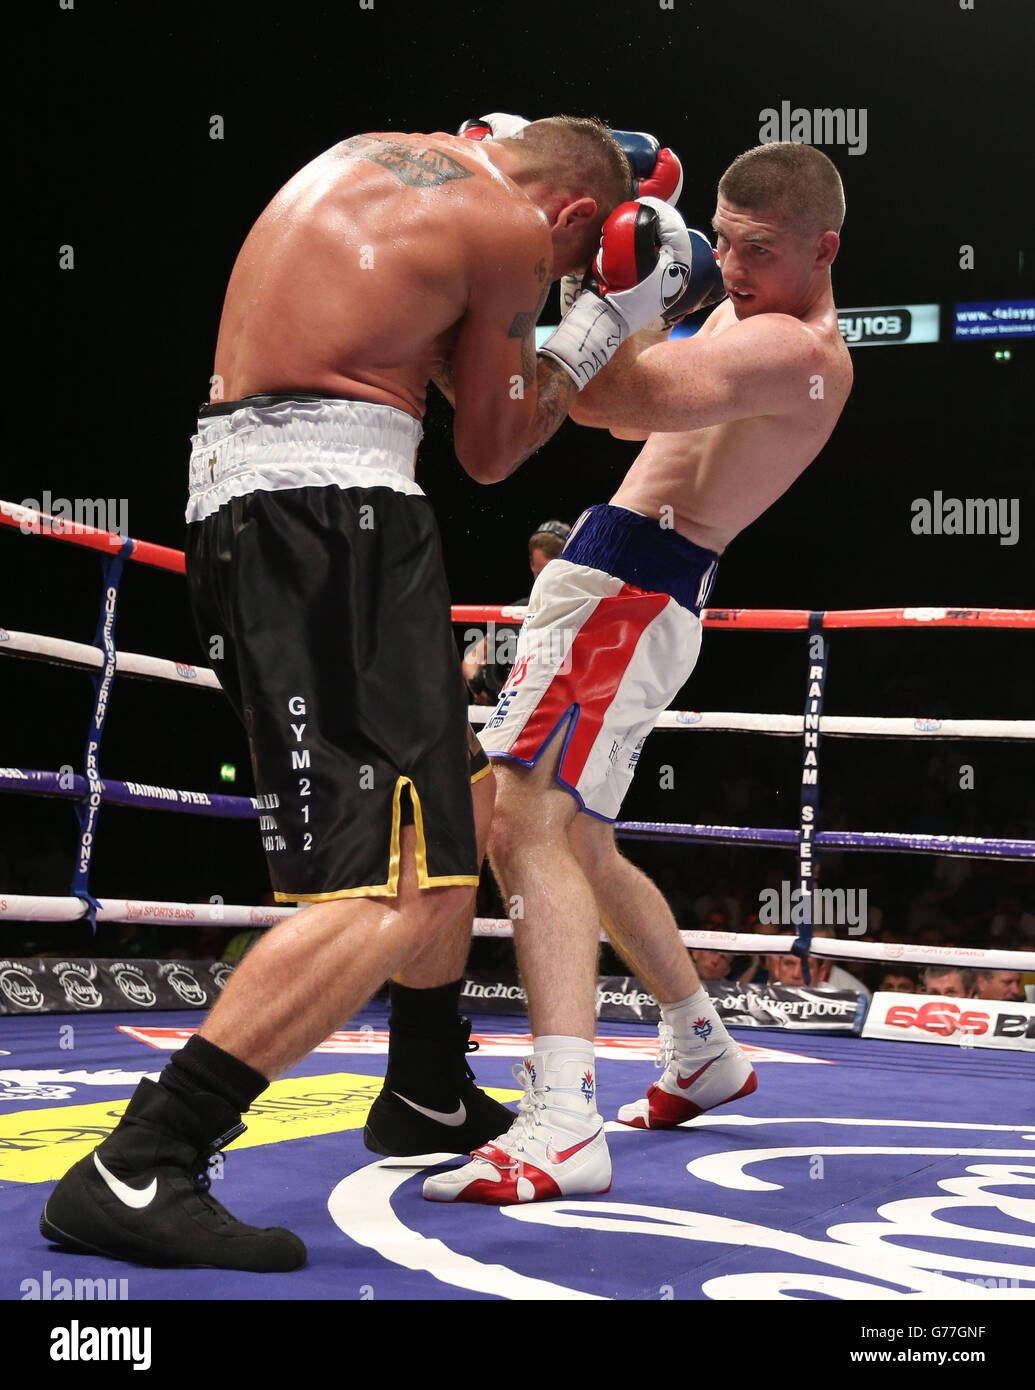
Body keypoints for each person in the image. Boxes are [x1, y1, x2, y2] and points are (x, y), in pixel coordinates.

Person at [40, 116, 698, 1269]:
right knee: (389, 889)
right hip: (327, 527)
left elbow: (429, 342)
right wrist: (602, 321)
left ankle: (430, 1088)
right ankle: (142, 1159)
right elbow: (494, 447)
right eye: (562, 266)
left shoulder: (392, 158)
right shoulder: (505, 223)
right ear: (577, 220)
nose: (544, 283)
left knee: (452, 833)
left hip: (288, 516)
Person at [426, 140, 854, 1205]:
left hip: (632, 585)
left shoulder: (794, 351)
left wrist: (589, 264)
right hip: (624, 576)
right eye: (721, 238)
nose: (733, 265)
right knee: (581, 839)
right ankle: (702, 1046)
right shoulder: (749, 320)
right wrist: (634, 265)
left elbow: (608, 389)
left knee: (519, 823)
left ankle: (564, 1119)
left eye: (757, 250)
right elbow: (623, 403)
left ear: (824, 250)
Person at [462, 519, 571, 705]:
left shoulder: (583, 612)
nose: (545, 582)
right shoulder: (516, 613)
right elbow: (470, 661)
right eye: (540, 574)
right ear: (531, 564)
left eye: (552, 575)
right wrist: (480, 687)